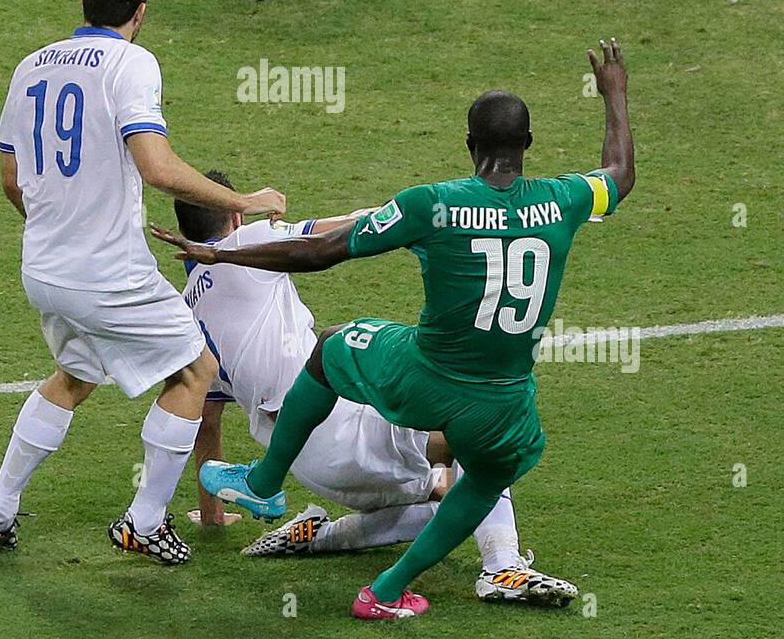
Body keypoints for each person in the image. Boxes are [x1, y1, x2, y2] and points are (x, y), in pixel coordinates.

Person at [155, 40, 634, 618]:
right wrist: (615, 95)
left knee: (331, 348)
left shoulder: (432, 203)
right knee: (480, 481)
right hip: (506, 398)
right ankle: (400, 585)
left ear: (468, 144)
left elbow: (322, 252)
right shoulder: (565, 199)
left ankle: (265, 481)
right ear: (528, 145)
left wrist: (223, 255)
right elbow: (619, 173)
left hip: (424, 376)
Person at [0, 0, 285, 566]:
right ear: (140, 11)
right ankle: (146, 519)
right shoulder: (131, 63)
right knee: (196, 372)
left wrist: (58, 227)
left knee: (74, 375)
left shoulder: (31, 67)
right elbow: (157, 168)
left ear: (83, 0)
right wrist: (245, 198)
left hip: (44, 268)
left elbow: (11, 177)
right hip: (106, 272)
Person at [175, 176, 576, 605]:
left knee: (449, 496)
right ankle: (502, 567)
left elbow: (205, 424)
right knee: (487, 440)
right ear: (235, 214)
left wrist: (213, 518)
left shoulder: (188, 309)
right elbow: (338, 231)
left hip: (306, 463)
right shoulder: (249, 243)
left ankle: (315, 531)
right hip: (340, 427)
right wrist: (415, 216)